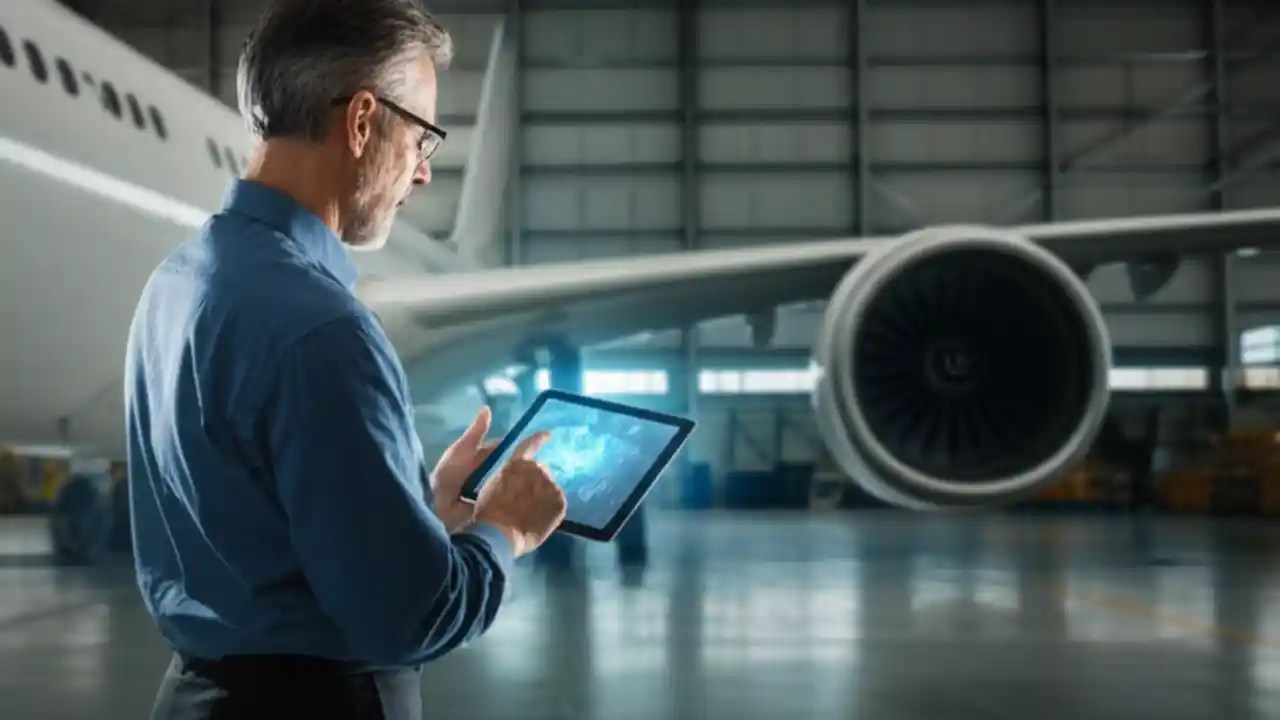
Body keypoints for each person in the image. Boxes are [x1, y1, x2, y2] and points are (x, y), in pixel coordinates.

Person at [122, 1, 567, 718]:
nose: (421, 174)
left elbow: (255, 523)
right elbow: (410, 618)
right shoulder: (324, 330)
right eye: (422, 138)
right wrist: (504, 530)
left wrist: (420, 514)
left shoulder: (175, 282)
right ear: (362, 122)